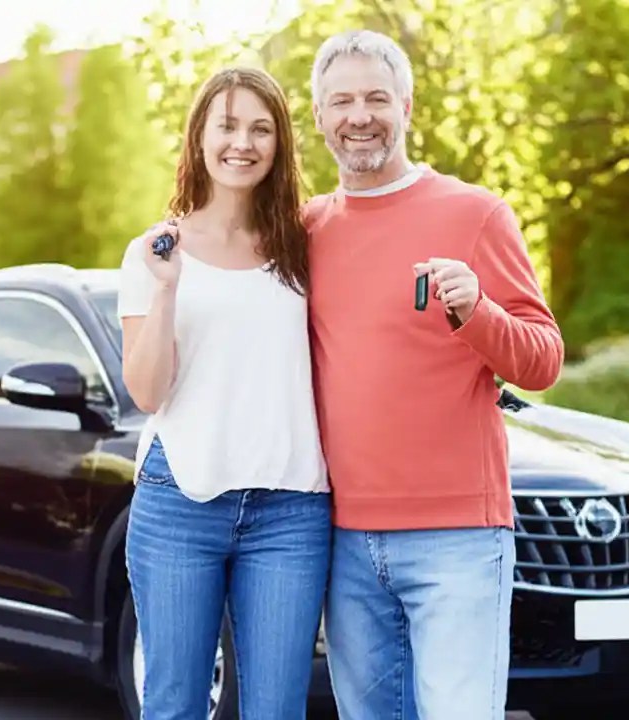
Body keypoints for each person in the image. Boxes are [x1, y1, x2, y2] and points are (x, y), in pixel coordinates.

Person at [301, 29, 565, 719]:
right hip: (343, 538)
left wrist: (477, 309)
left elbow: (543, 360)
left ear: (408, 107)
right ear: (321, 118)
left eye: (377, 98)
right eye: (342, 101)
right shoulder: (304, 231)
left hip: (459, 538)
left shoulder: (475, 214)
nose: (360, 115)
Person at [117, 65, 331, 719]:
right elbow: (149, 392)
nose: (243, 142)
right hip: (181, 502)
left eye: (261, 129)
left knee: (276, 709)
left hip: (290, 512)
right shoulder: (155, 250)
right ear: (200, 137)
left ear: (280, 144)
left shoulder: (307, 245)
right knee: (176, 703)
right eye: (228, 125)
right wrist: (166, 288)